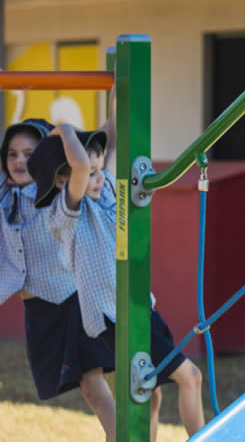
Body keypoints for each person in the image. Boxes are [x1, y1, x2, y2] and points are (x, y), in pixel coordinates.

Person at [29, 121, 205, 440]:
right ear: (61, 181)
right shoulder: (65, 215)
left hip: (140, 308)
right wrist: (66, 130)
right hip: (114, 317)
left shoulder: (107, 196)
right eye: (90, 173)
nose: (98, 177)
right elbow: (81, 165)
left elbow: (112, 137)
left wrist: (117, 93)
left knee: (151, 394)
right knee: (190, 377)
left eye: (99, 171)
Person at [0, 118, 117, 438]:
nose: (20, 160)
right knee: (88, 387)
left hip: (72, 298)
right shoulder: (3, 195)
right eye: (12, 154)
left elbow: (106, 137)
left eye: (29, 152)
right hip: (39, 307)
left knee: (92, 384)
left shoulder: (57, 193)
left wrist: (117, 96)